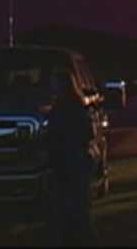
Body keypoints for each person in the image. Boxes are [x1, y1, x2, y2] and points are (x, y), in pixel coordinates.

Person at [44, 69, 97, 246]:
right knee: (79, 207)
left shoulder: (60, 109)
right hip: (76, 160)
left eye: (55, 82)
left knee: (69, 207)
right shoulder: (78, 106)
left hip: (68, 161)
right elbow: (89, 133)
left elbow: (53, 136)